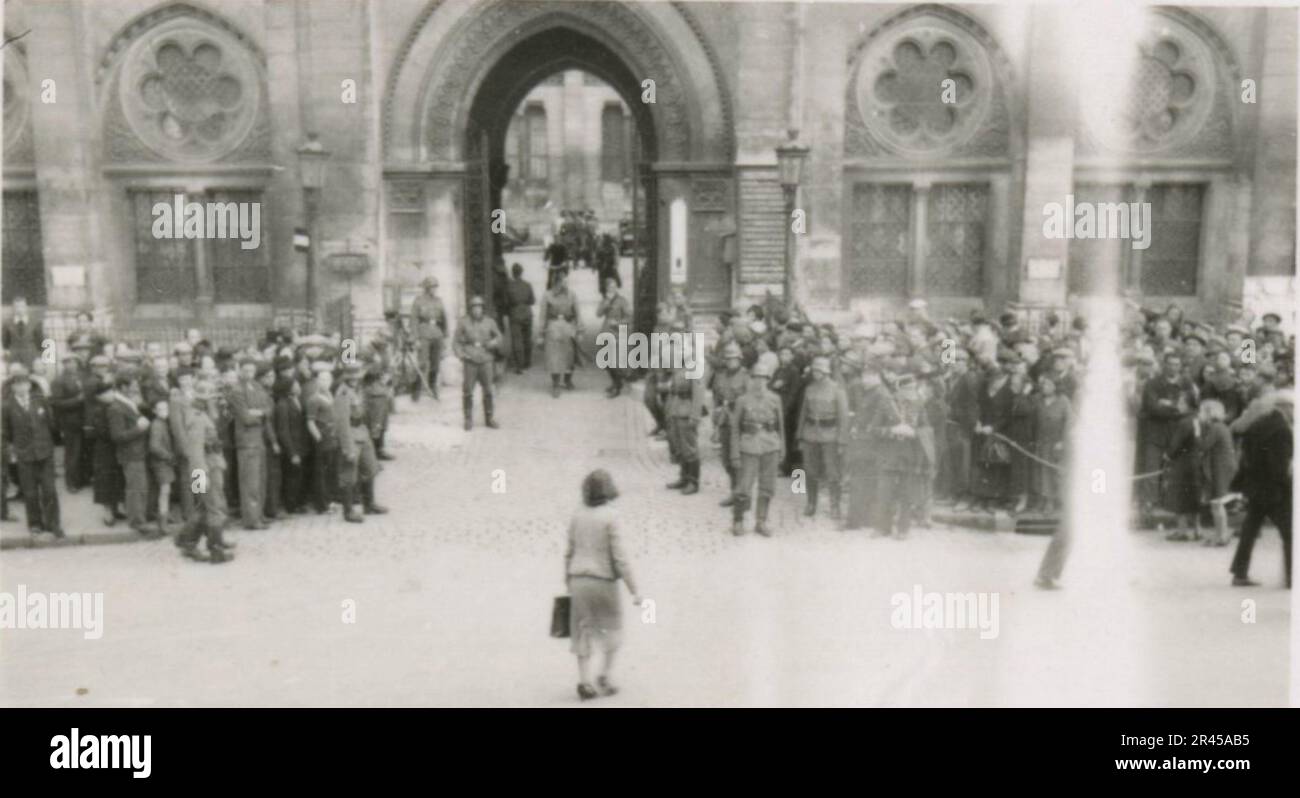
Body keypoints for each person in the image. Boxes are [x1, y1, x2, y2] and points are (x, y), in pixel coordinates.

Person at [564, 469, 641, 701]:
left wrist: (567, 580)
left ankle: (584, 681)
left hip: (578, 579)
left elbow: (568, 552)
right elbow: (619, 558)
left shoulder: (577, 515)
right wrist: (634, 589)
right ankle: (605, 674)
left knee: (583, 632)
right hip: (604, 583)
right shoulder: (611, 516)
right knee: (612, 631)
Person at [1229, 392, 1293, 588]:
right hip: (1274, 491)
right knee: (1290, 533)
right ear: (1286, 408)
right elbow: (1279, 467)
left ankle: (1239, 573)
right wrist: (1287, 486)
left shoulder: (1257, 425)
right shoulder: (1282, 429)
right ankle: (1292, 576)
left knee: (1249, 530)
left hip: (1256, 486)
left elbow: (1245, 457)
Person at [175, 380, 233, 563]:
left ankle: (187, 541)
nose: (214, 401)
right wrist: (201, 476)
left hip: (211, 465)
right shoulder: (198, 418)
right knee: (214, 507)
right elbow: (195, 450)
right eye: (211, 398)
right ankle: (215, 549)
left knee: (204, 506)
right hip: (204, 469)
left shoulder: (203, 415)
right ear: (203, 400)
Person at [2, 365, 62, 537]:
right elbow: (6, 432)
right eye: (17, 384)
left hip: (45, 453)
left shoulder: (40, 400)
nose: (21, 387)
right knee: (30, 492)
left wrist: (51, 446)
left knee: (49, 490)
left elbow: (51, 424)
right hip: (24, 455)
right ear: (12, 387)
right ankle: (35, 523)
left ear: (29, 385)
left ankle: (53, 524)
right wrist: (12, 451)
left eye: (24, 383)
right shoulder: (6, 406)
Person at [870, 372, 931, 539]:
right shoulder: (886, 404)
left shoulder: (919, 405)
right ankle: (882, 528)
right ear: (898, 390)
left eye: (913, 388)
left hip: (909, 456)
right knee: (884, 493)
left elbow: (927, 430)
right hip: (889, 455)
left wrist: (914, 432)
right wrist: (891, 431)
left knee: (907, 494)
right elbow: (873, 430)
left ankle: (903, 529)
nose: (911, 392)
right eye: (907, 389)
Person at [729, 359, 784, 536]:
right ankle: (738, 520)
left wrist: (782, 447)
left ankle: (761, 521)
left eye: (763, 378)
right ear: (751, 379)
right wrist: (735, 453)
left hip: (770, 445)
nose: (759, 382)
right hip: (749, 446)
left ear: (768, 380)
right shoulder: (742, 400)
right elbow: (735, 428)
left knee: (768, 486)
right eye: (756, 378)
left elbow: (780, 425)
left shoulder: (775, 399)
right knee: (744, 486)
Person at [797, 356, 849, 519]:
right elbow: (803, 413)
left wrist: (842, 440)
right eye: (814, 371)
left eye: (819, 371)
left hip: (830, 434)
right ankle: (811, 503)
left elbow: (843, 417)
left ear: (826, 372)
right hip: (810, 433)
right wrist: (800, 436)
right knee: (809, 470)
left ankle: (835, 506)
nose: (815, 374)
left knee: (833, 473)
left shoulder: (837, 389)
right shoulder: (809, 389)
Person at [107, 370, 158, 538]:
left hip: (138, 452)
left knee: (140, 487)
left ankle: (140, 517)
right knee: (136, 489)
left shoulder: (127, 402)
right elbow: (117, 436)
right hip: (130, 454)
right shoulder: (116, 407)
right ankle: (137, 522)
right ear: (123, 387)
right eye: (133, 386)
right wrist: (139, 429)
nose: (136, 389)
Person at [334, 361, 387, 522]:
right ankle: (348, 510)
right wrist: (347, 447)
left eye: (357, 376)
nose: (355, 379)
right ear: (346, 377)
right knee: (349, 473)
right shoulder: (343, 394)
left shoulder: (358, 390)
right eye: (351, 376)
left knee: (370, 468)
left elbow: (366, 410)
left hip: (362, 431)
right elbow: (342, 422)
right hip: (350, 433)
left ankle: (369, 504)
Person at [227, 357, 272, 530]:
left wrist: (258, 412)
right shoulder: (236, 391)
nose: (249, 374)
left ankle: (259, 514)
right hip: (246, 441)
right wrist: (260, 413)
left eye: (251, 371)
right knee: (250, 482)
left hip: (258, 439)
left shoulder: (258, 386)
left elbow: (269, 408)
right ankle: (251, 519)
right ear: (240, 370)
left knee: (260, 480)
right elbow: (245, 417)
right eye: (245, 370)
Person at [662, 336, 706, 495]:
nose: (680, 351)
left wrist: (695, 416)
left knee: (689, 447)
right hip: (675, 409)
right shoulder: (678, 367)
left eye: (684, 348)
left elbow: (698, 394)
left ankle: (693, 481)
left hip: (687, 411)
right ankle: (684, 476)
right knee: (678, 445)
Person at [453, 295, 502, 430]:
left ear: (483, 308)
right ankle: (468, 418)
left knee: (488, 390)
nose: (477, 310)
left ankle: (489, 417)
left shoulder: (490, 322)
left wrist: (493, 343)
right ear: (470, 309)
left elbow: (499, 337)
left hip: (486, 359)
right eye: (474, 307)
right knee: (468, 390)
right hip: (470, 359)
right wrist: (461, 354)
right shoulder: (463, 322)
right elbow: (456, 341)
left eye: (479, 307)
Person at [711, 341, 749, 506]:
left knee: (739, 460)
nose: (730, 361)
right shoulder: (720, 376)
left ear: (740, 359)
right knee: (726, 460)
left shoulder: (747, 377)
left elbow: (750, 402)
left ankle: (741, 493)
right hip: (725, 421)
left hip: (740, 423)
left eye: (733, 359)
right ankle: (735, 491)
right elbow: (716, 398)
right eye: (727, 359)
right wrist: (716, 417)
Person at [1197, 398, 1236, 547]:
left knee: (1217, 503)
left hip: (1221, 469)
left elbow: (1203, 446)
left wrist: (1196, 431)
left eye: (1201, 411)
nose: (1199, 415)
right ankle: (1220, 534)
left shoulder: (1216, 428)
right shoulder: (1220, 427)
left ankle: (1222, 536)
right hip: (1221, 467)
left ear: (1208, 413)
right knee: (1217, 503)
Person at [49, 350, 88, 493]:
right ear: (64, 364)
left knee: (84, 451)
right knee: (73, 453)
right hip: (70, 422)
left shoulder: (82, 376)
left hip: (84, 420)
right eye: (68, 362)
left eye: (73, 362)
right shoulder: (58, 381)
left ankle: (81, 479)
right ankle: (70, 483)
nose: (71, 365)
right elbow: (56, 403)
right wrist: (77, 400)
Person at [538, 265, 580, 397]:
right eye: (561, 281)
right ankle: (556, 383)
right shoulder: (547, 295)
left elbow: (578, 313)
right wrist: (540, 333)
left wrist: (580, 330)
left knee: (570, 355)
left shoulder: (572, 295)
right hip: (553, 326)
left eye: (565, 281)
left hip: (568, 325)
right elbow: (542, 315)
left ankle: (567, 380)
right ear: (555, 282)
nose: (564, 284)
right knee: (554, 356)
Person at [305, 363, 338, 514]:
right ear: (318, 382)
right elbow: (310, 421)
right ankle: (322, 504)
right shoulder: (314, 399)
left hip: (332, 437)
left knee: (330, 470)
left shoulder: (331, 396)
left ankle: (330, 499)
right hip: (322, 438)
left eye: (328, 380)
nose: (325, 383)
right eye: (322, 380)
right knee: (321, 472)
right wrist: (318, 437)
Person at [275, 377, 310, 514]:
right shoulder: (283, 405)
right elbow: (283, 431)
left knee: (298, 476)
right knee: (292, 477)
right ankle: (291, 505)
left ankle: (297, 503)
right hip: (292, 447)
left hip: (301, 445)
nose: (298, 387)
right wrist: (292, 452)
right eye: (295, 385)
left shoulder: (297, 401)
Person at [409, 276, 447, 400]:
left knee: (435, 364)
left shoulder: (439, 301)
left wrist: (445, 336)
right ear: (426, 288)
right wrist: (415, 338)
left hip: (437, 334)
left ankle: (432, 386)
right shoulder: (418, 301)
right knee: (422, 363)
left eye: (435, 287)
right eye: (432, 287)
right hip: (423, 333)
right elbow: (414, 320)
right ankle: (416, 389)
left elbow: (444, 319)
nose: (434, 289)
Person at [597, 277, 632, 398]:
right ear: (606, 288)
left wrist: (617, 323)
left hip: (617, 333)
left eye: (614, 286)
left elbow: (629, 317)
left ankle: (617, 386)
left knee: (614, 361)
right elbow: (598, 314)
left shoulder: (622, 301)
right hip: (605, 332)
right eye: (610, 287)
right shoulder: (605, 300)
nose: (612, 289)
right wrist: (606, 303)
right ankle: (614, 382)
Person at [148, 398, 177, 534]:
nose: (165, 412)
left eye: (166, 409)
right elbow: (154, 446)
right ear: (154, 411)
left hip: (163, 462)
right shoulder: (157, 425)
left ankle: (164, 516)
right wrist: (168, 456)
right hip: (161, 463)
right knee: (164, 491)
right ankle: (163, 522)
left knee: (165, 491)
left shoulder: (162, 423)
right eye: (161, 409)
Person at [504, 263, 535, 374]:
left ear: (513, 273)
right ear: (521, 272)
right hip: (527, 313)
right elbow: (532, 300)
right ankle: (527, 361)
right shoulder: (527, 285)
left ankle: (519, 365)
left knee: (517, 340)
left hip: (515, 313)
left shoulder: (508, 286)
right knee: (527, 338)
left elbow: (506, 302)